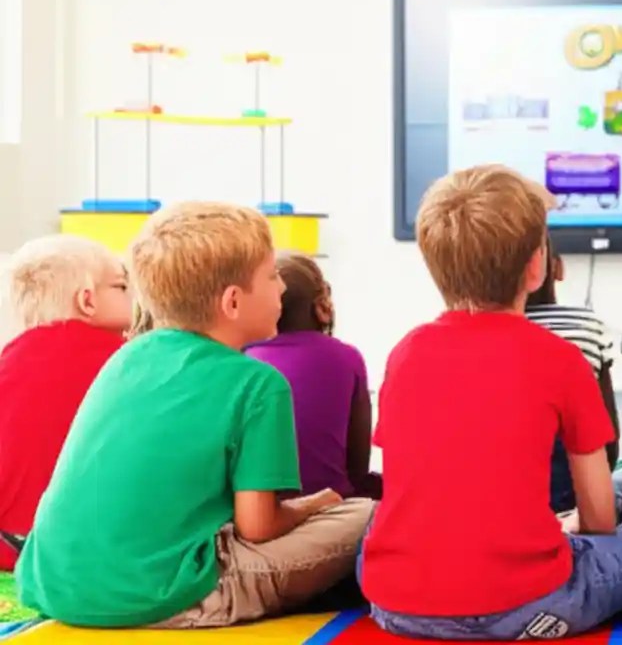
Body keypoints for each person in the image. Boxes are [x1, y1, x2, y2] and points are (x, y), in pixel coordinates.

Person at [359, 165, 622, 641]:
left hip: (397, 606)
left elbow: (406, 491)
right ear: (537, 267)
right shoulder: (561, 360)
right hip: (527, 606)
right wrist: (565, 528)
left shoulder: (405, 353)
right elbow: (600, 521)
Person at [17, 202, 374, 629]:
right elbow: (259, 527)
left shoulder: (125, 358)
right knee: (364, 515)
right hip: (169, 596)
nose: (281, 289)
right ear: (233, 301)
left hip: (54, 587)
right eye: (271, 275)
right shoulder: (258, 382)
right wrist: (314, 505)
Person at [0, 235, 132, 572]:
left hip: (8, 546)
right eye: (121, 286)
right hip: (80, 548)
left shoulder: (9, 359)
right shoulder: (124, 361)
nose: (133, 295)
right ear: (87, 301)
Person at [247, 252, 383, 500]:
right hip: (330, 507)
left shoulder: (244, 359)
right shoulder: (347, 357)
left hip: (257, 512)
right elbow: (357, 467)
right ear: (321, 305)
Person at [524, 239, 620, 513]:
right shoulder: (585, 326)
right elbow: (609, 446)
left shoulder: (470, 342)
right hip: (569, 512)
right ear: (558, 268)